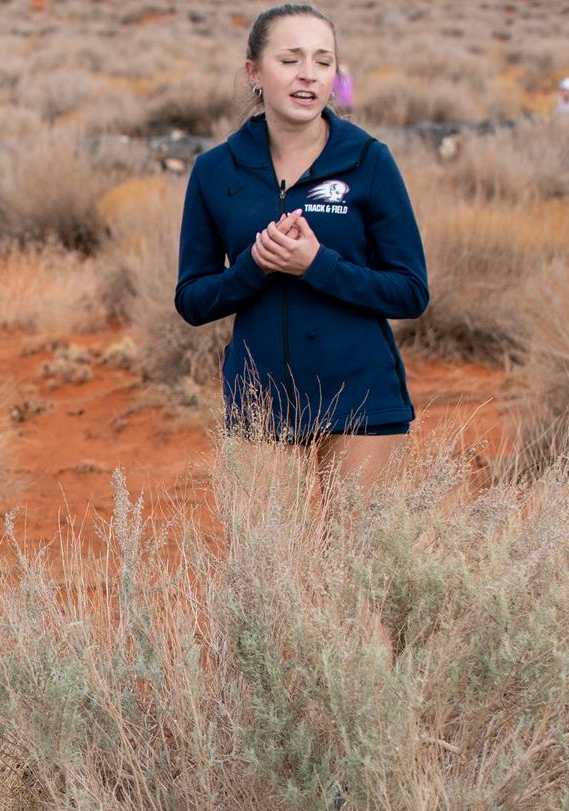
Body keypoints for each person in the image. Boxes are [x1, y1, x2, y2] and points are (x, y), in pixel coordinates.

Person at [175, 3, 428, 488]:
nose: (308, 74)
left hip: (362, 396)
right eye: (290, 60)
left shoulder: (369, 160)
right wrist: (253, 267)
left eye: (323, 61)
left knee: (362, 541)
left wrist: (316, 264)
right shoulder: (214, 171)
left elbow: (411, 292)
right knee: (265, 541)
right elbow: (192, 300)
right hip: (261, 403)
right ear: (254, 72)